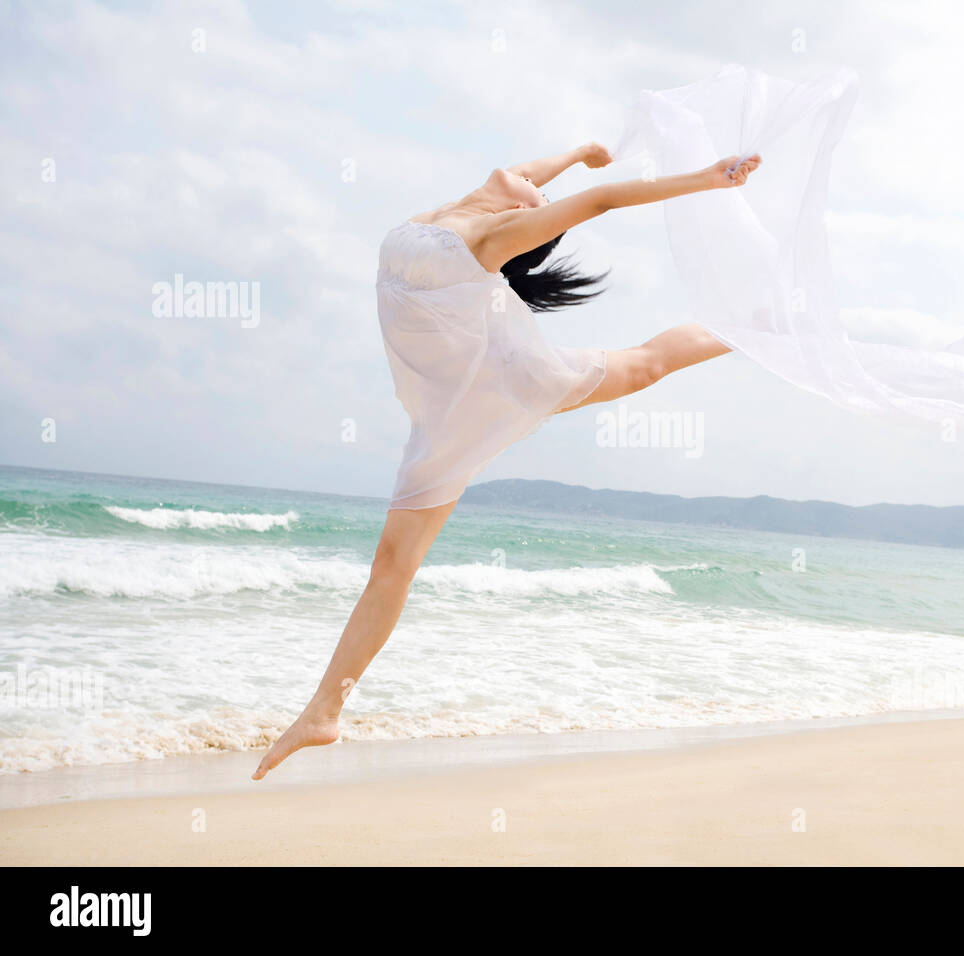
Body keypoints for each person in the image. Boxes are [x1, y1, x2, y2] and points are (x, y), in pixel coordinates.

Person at [252, 143, 761, 779]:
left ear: (525, 219)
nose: (536, 189)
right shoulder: (461, 209)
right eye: (535, 189)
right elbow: (522, 175)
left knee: (644, 366)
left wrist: (708, 179)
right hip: (443, 406)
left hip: (502, 378)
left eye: (542, 202)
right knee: (391, 565)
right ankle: (324, 712)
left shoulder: (487, 237)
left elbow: (599, 201)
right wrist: (579, 151)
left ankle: (754, 329)